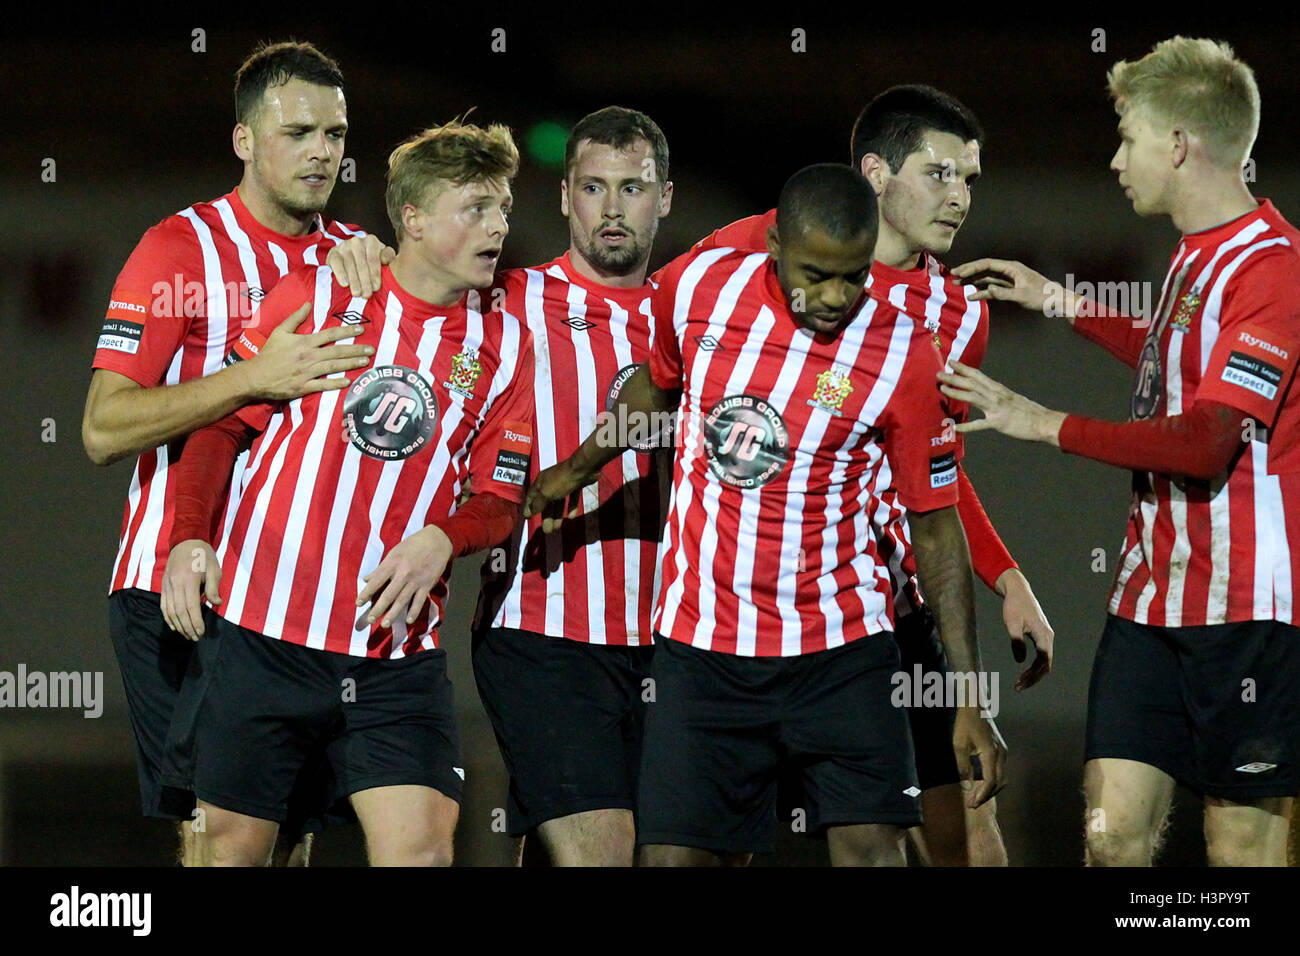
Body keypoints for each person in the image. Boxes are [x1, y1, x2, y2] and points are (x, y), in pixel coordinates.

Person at [528, 164, 1006, 866]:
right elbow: (657, 390)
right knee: (670, 862)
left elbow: (934, 523)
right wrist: (576, 466)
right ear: (775, 244)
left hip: (843, 652)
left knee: (876, 853)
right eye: (816, 272)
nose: (835, 296)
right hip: (703, 651)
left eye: (854, 277)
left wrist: (968, 694)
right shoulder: (698, 290)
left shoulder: (905, 353)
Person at [940, 36, 1300, 866]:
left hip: (1243, 614)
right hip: (1149, 605)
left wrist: (1045, 423)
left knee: (1240, 849)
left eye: (1129, 137)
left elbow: (1208, 441)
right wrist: (1059, 298)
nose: (1114, 159)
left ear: (1179, 145)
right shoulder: (1195, 252)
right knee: (1110, 840)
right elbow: (1176, 350)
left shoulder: (1273, 270)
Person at [694, 84, 1054, 866]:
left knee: (968, 843)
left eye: (970, 179)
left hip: (889, 612)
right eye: (939, 173)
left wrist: (1005, 576)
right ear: (875, 174)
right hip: (750, 618)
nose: (959, 197)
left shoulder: (957, 314)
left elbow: (930, 480)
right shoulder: (746, 251)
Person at [159, 119, 533, 866]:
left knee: (422, 852)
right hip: (264, 635)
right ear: (415, 220)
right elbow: (220, 426)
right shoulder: (321, 291)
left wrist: (443, 539)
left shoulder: (503, 344)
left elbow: (500, 497)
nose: (498, 226)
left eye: (503, 209)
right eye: (477, 208)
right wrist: (189, 537)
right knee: (226, 853)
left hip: (394, 656)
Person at [81, 40, 374, 865]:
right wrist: (253, 377)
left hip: (301, 595)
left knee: (288, 839)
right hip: (181, 586)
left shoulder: (355, 258)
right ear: (245, 140)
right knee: (220, 835)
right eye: (300, 132)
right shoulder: (180, 250)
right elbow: (103, 428)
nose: (323, 151)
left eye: (337, 134)